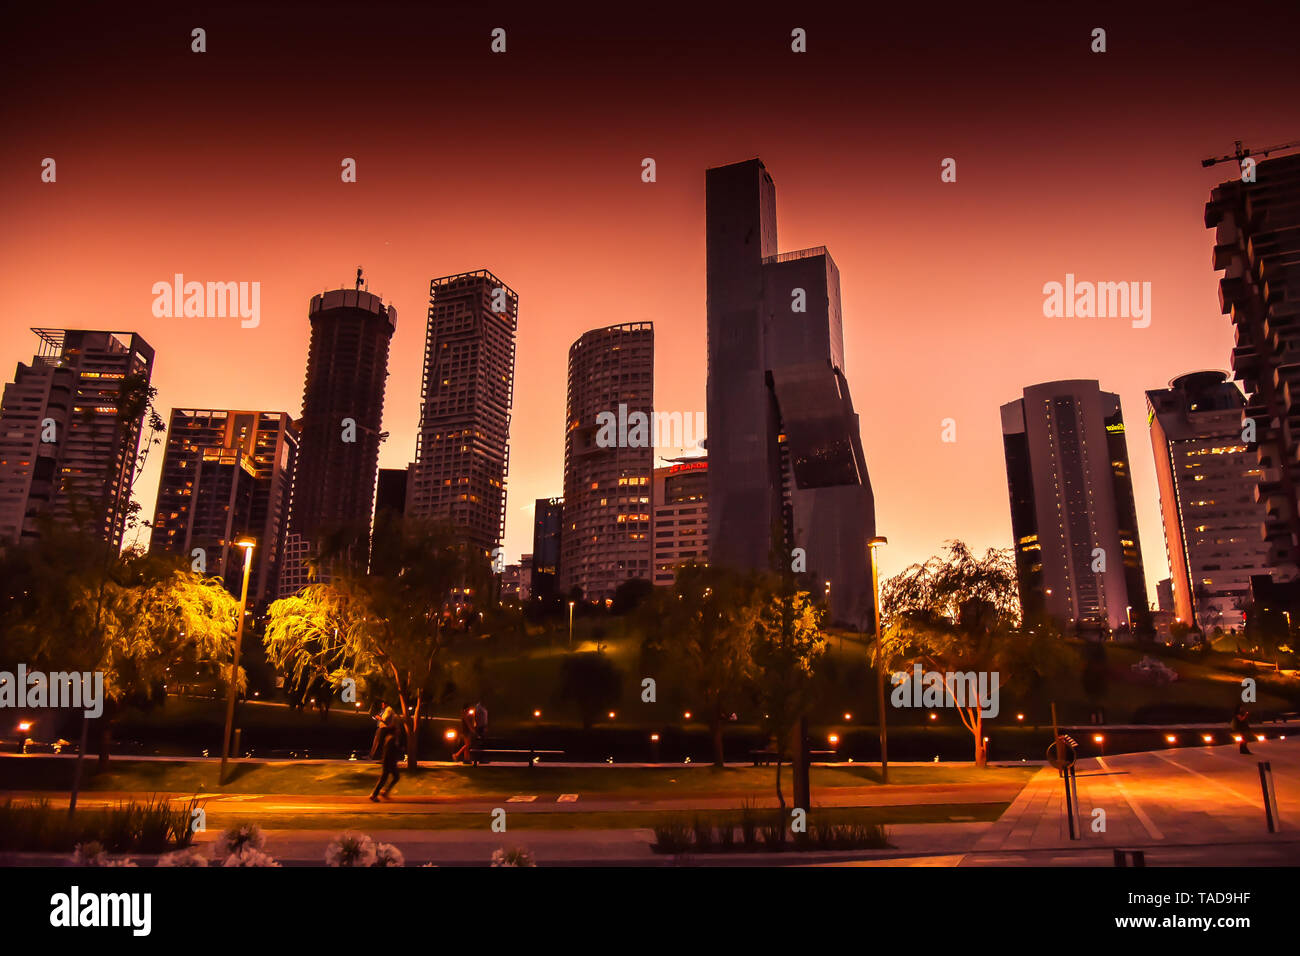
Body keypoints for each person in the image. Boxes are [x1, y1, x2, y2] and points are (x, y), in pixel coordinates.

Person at [370, 720, 402, 800]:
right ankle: (374, 795)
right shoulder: (392, 739)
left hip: (389, 762)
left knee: (395, 777)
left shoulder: (390, 738)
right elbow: (390, 751)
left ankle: (384, 792)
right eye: (397, 730)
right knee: (385, 779)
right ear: (394, 731)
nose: (399, 731)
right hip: (389, 762)